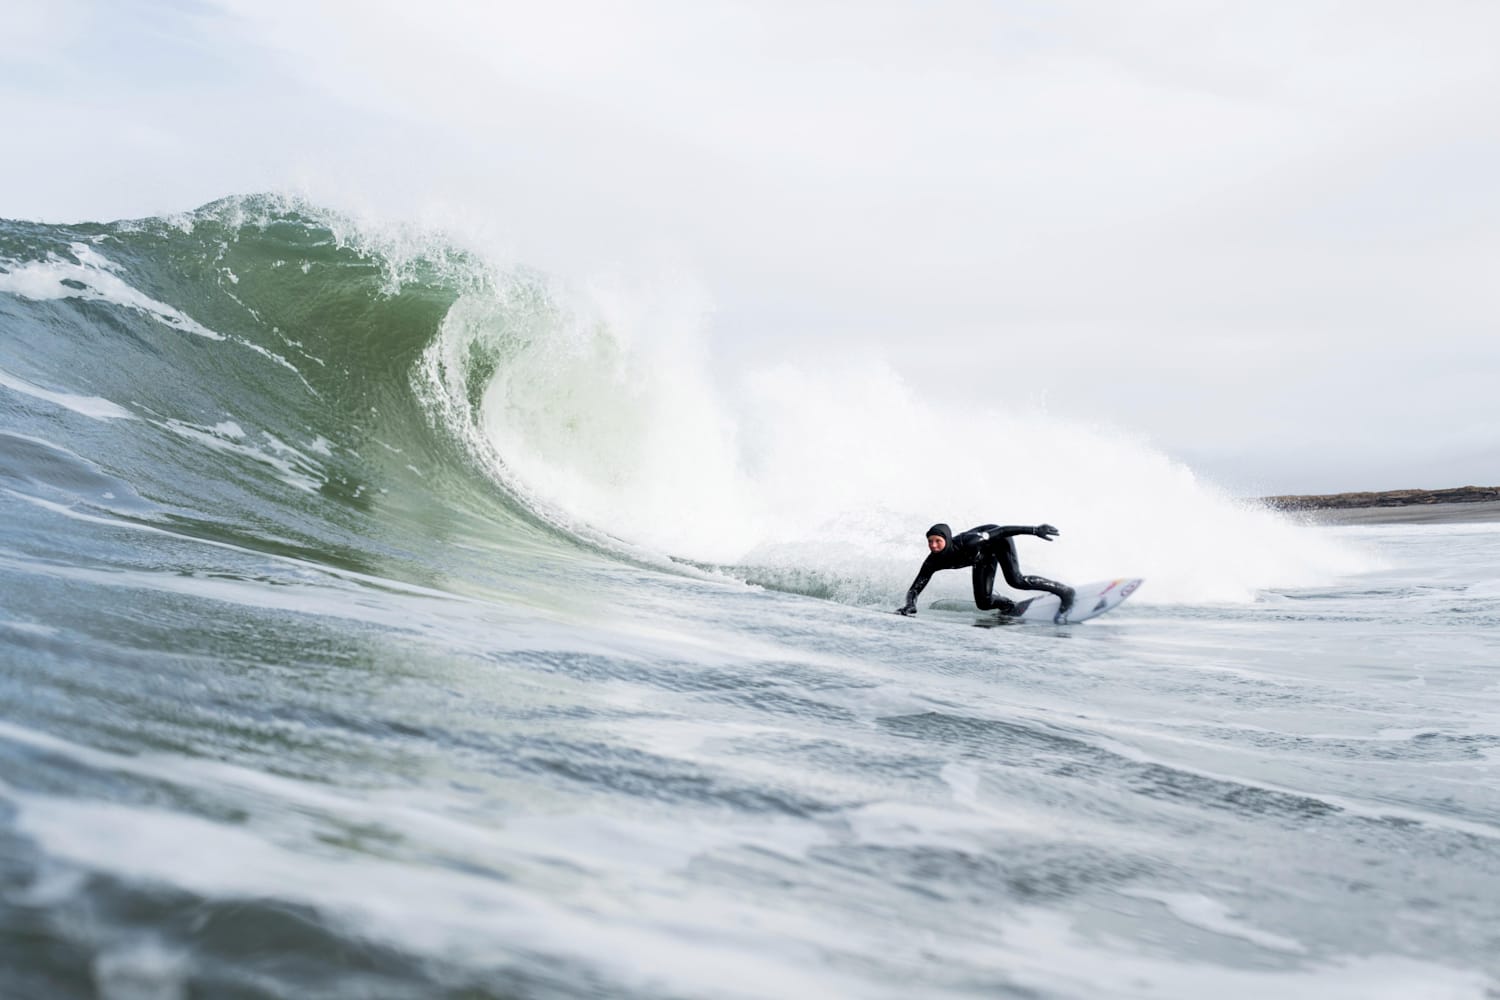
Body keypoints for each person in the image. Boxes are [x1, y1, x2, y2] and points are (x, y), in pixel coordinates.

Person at [895, 522, 1076, 624]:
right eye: (930, 541)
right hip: (982, 558)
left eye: (938, 541)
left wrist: (1035, 530)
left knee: (1016, 580)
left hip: (998, 542)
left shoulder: (969, 541)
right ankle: (1009, 606)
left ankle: (1065, 591)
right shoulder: (933, 561)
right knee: (984, 603)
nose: (933, 545)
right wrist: (910, 604)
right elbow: (915, 588)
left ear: (947, 540)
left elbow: (1003, 530)